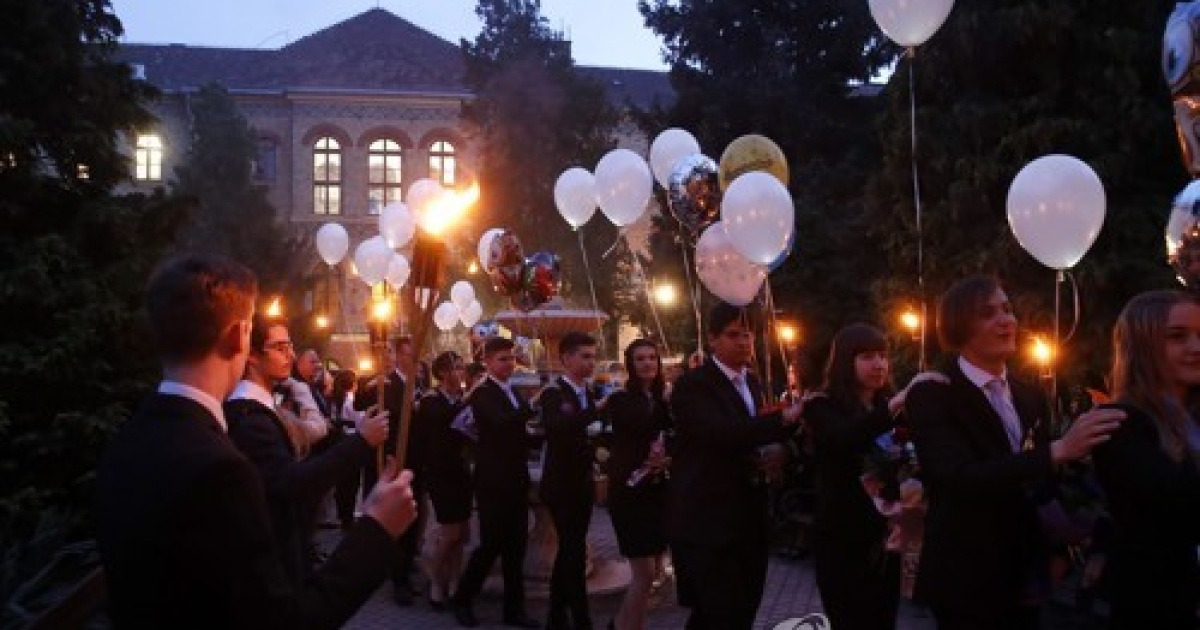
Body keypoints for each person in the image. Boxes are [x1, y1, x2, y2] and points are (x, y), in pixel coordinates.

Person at [95, 254, 417, 628]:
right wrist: (377, 528)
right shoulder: (222, 470)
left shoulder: (126, 440)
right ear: (238, 338)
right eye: (250, 329)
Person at [906, 275, 1125, 630]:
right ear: (959, 325)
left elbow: (1040, 484)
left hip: (1026, 575)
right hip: (966, 572)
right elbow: (957, 478)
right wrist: (1058, 450)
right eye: (988, 313)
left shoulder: (1029, 395)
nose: (1006, 320)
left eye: (1008, 310)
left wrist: (1059, 546)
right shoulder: (934, 394)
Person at [224, 314, 389, 585]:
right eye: (279, 348)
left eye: (290, 346)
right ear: (252, 356)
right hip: (270, 556)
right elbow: (292, 481)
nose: (290, 354)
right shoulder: (249, 417)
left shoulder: (266, 407)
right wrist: (360, 442)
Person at [667, 302, 804, 629]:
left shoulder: (752, 383)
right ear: (712, 339)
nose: (743, 342)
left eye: (748, 335)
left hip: (748, 518)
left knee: (741, 609)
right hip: (707, 519)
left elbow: (750, 436)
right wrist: (779, 420)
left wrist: (780, 448)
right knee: (720, 613)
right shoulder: (693, 385)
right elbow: (718, 434)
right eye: (733, 335)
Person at [804, 323, 946, 630]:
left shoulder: (888, 406)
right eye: (867, 356)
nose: (879, 364)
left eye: (883, 355)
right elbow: (844, 439)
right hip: (843, 539)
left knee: (883, 618)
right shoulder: (821, 405)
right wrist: (897, 403)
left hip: (887, 538)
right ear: (845, 361)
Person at [1092, 290, 1200, 629]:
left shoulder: (1194, 415)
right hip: (1158, 604)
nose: (1196, 347)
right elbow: (1178, 504)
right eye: (1178, 337)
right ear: (1142, 347)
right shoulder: (1119, 424)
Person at [451, 337, 540, 628]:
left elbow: (516, 432)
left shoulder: (511, 391)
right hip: (492, 481)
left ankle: (514, 610)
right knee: (490, 546)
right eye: (502, 359)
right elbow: (500, 424)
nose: (508, 364)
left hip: (515, 478)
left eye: (511, 358)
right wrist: (531, 406)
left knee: (516, 547)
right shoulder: (482, 393)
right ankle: (463, 599)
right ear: (487, 362)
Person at [606, 339, 673, 630]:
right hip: (630, 491)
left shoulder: (661, 398)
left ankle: (629, 625)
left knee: (653, 573)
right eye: (640, 359)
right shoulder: (621, 399)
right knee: (643, 573)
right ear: (630, 365)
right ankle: (624, 626)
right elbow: (633, 433)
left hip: (657, 490)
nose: (648, 363)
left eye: (652, 358)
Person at [354, 336, 425, 606]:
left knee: (412, 520)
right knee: (392, 523)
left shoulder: (418, 385)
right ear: (397, 356)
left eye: (416, 356)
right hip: (390, 463)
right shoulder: (384, 384)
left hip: (414, 464)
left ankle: (405, 569)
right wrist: (370, 382)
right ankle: (397, 579)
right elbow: (362, 405)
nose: (414, 362)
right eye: (408, 355)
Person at [540, 332, 601, 630]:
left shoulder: (587, 393)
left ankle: (556, 616)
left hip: (582, 483)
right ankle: (580, 619)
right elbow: (558, 428)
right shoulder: (554, 393)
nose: (591, 362)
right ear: (566, 359)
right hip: (560, 486)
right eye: (584, 356)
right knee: (573, 551)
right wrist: (595, 412)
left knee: (570, 550)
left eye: (593, 356)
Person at [419, 351, 473, 610]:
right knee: (449, 532)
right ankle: (433, 577)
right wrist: (469, 402)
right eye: (454, 368)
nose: (459, 373)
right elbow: (445, 420)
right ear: (441, 373)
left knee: (462, 534)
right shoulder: (431, 400)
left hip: (462, 471)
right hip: (441, 473)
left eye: (462, 368)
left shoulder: (462, 399)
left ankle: (454, 581)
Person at [331, 369, 363, 530]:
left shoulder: (336, 399)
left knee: (343, 482)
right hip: (351, 441)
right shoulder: (351, 400)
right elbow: (360, 422)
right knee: (351, 482)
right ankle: (347, 518)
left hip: (340, 440)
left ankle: (344, 515)